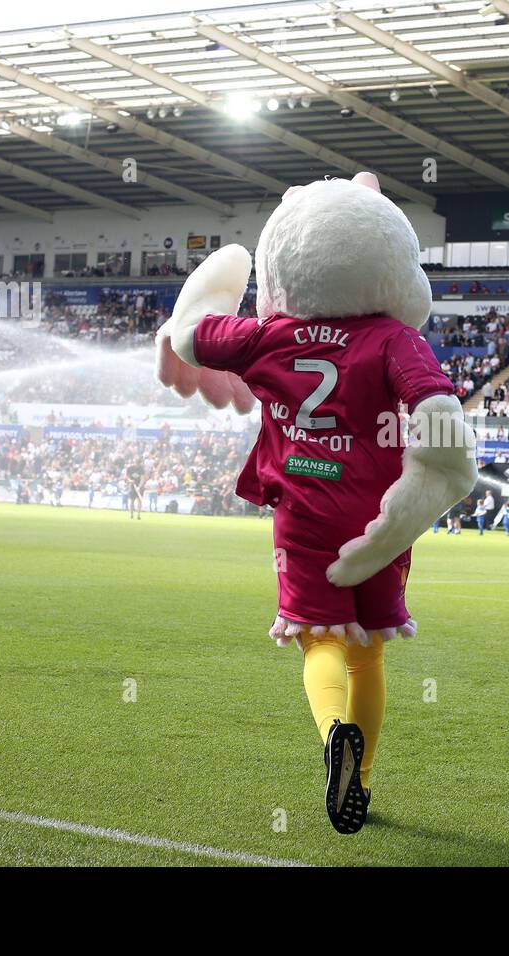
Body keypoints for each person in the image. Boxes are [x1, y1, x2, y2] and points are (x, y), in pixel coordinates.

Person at [154, 176, 476, 834]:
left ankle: (334, 734)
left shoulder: (267, 336)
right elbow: (435, 404)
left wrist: (221, 278)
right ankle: (359, 779)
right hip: (381, 513)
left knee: (319, 644)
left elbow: (189, 335)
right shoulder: (393, 337)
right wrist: (445, 461)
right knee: (370, 653)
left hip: (301, 509)